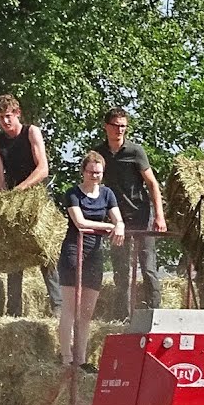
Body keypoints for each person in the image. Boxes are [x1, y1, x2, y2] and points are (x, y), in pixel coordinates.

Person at [0, 94, 63, 316]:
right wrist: (4, 200)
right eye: (1, 117)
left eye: (8, 116)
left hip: (37, 199)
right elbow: (0, 178)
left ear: (17, 113)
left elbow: (43, 169)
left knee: (45, 253)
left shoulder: (32, 132)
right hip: (13, 204)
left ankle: (58, 308)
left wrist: (19, 190)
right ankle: (14, 312)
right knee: (14, 256)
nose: (5, 121)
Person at [95, 108, 165, 320]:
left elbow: (152, 184)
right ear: (106, 126)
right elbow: (94, 185)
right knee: (121, 269)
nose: (120, 130)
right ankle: (122, 318)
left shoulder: (135, 151)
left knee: (148, 266)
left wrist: (159, 215)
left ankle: (156, 315)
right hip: (117, 218)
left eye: (123, 126)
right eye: (116, 125)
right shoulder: (99, 153)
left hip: (141, 214)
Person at [58, 151, 125, 371]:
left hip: (95, 254)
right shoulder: (73, 193)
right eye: (91, 172)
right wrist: (109, 227)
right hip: (73, 251)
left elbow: (118, 219)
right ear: (83, 172)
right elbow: (80, 222)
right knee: (70, 309)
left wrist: (119, 226)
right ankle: (66, 357)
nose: (95, 176)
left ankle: (81, 359)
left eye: (98, 172)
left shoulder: (107, 194)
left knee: (87, 312)